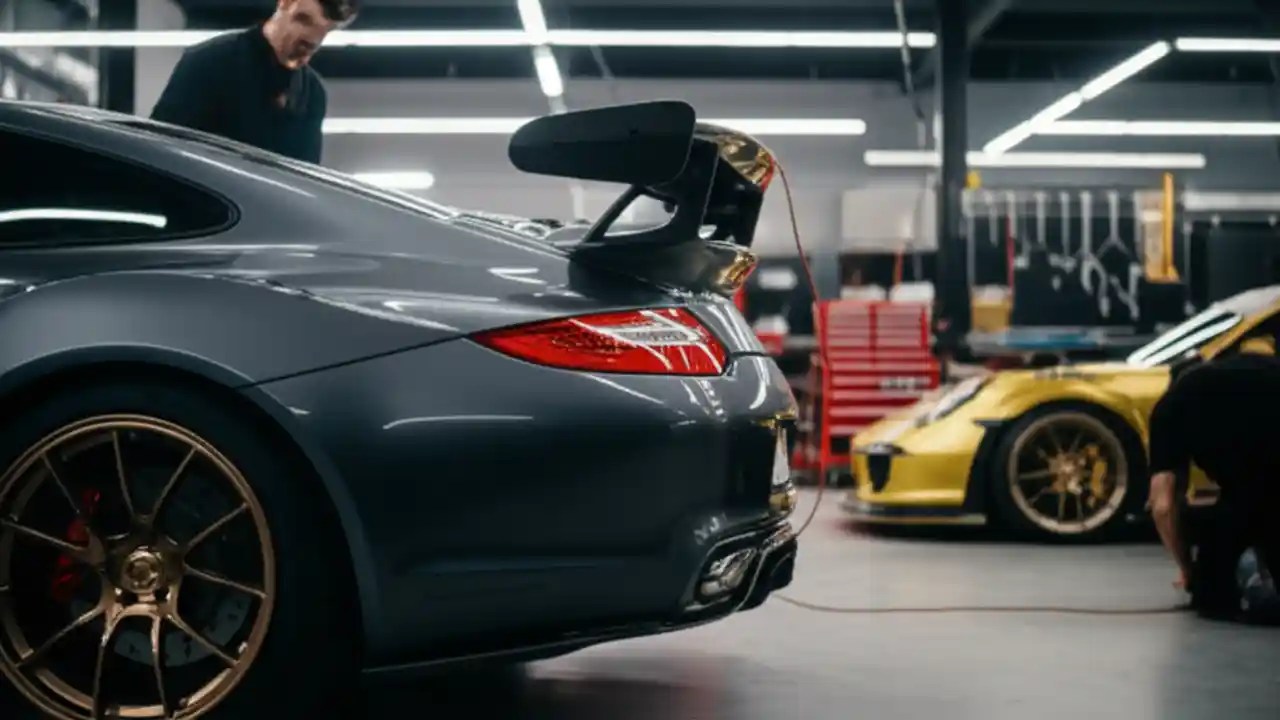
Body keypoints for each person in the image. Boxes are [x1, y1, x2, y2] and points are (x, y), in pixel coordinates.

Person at [1147, 333, 1280, 620]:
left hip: (1245, 495)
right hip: (1257, 490)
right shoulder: (1264, 369)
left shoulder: (1172, 407)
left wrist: (1187, 569)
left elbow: (1163, 506)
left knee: (1213, 597)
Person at [150, 0, 359, 163]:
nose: (312, 39)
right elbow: (161, 150)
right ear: (284, 2)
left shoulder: (312, 93)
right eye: (303, 20)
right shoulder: (211, 60)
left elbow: (305, 180)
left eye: (325, 31)